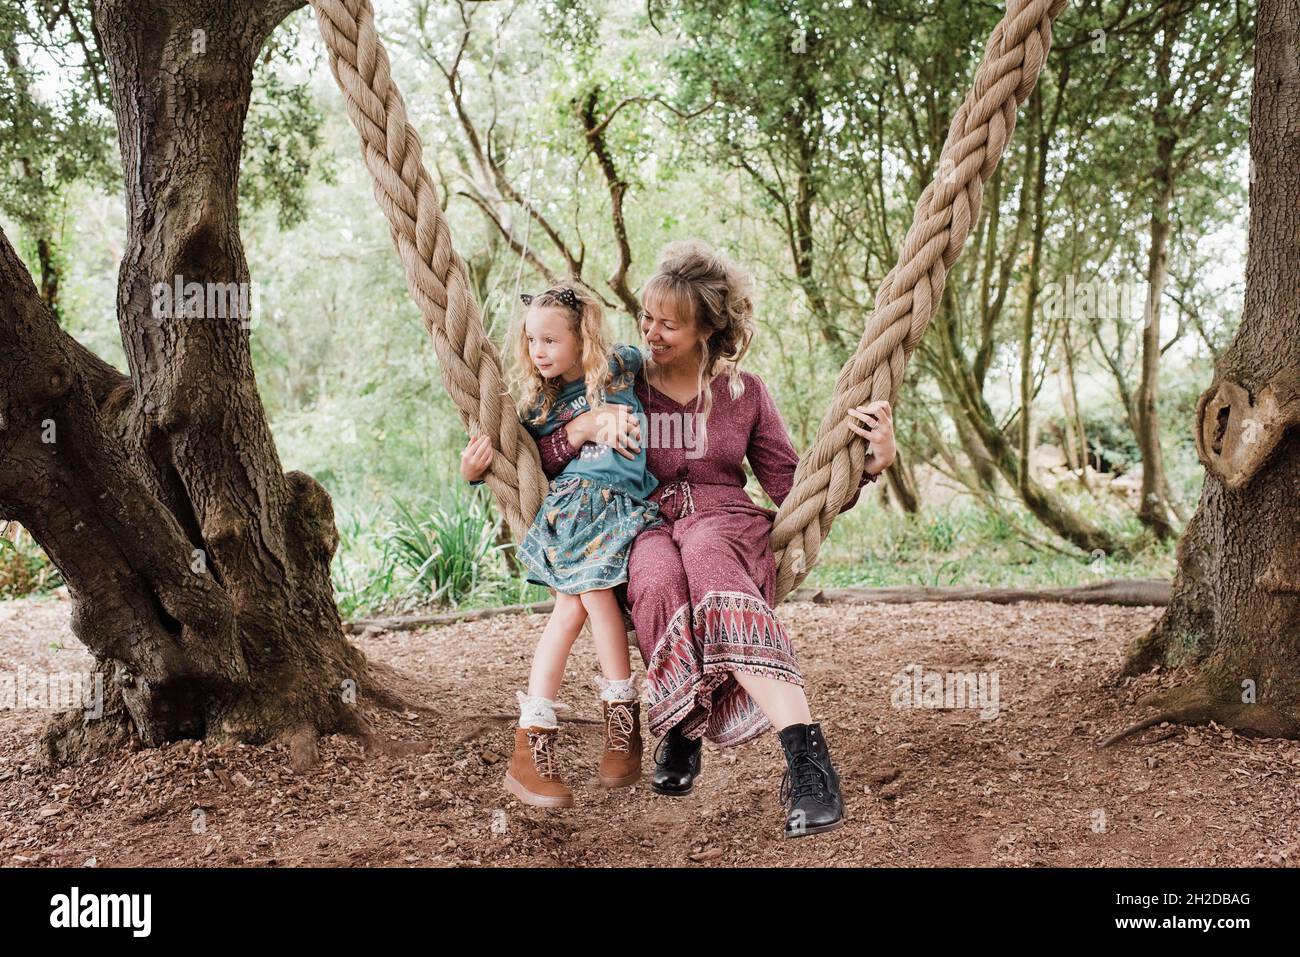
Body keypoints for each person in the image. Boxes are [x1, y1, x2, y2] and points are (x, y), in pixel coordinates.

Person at [536, 241, 896, 836]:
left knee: (703, 553)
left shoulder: (743, 392)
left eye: (669, 324)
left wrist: (874, 461)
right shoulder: (619, 382)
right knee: (653, 573)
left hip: (725, 523)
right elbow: (554, 459)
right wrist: (584, 424)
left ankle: (808, 765)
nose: (650, 332)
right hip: (643, 524)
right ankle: (681, 726)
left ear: (708, 327)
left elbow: (792, 487)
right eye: (646, 318)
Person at [460, 282, 662, 808]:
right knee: (592, 599)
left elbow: (670, 353)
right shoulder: (544, 403)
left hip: (624, 506)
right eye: (531, 341)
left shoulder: (619, 366)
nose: (538, 352)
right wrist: (474, 473)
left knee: (569, 613)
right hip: (577, 509)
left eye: (550, 340)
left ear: (583, 338)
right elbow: (537, 460)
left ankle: (531, 750)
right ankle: (622, 727)